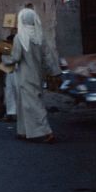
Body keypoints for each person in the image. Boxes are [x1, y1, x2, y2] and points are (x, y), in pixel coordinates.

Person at [9, 8, 59, 143]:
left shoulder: (19, 37)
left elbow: (15, 57)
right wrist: (55, 73)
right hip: (37, 75)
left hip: (24, 76)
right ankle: (23, 131)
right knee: (26, 104)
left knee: (33, 105)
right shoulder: (39, 36)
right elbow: (48, 56)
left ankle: (47, 131)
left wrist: (4, 58)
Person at [0, 25, 18, 123]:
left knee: (17, 93)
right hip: (10, 72)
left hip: (18, 72)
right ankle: (10, 113)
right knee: (9, 93)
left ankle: (17, 114)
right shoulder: (6, 46)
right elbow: (5, 59)